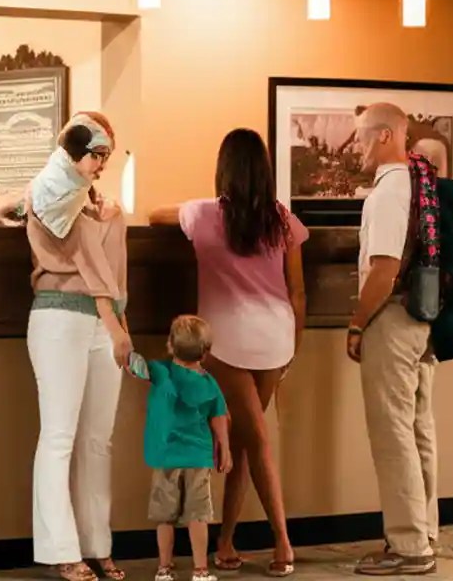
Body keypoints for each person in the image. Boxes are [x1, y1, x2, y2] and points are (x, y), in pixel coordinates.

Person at [149, 128, 306, 577]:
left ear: (223, 170)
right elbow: (297, 292)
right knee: (244, 438)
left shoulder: (201, 215)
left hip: (228, 342)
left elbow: (154, 214)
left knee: (255, 441)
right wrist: (295, 345)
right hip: (276, 338)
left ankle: (283, 543)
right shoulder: (282, 220)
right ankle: (227, 542)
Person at [23, 112, 132, 581]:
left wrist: (118, 322)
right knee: (59, 436)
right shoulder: (52, 191)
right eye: (97, 154)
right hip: (60, 317)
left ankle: (97, 544)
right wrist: (116, 325)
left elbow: (115, 273)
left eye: (107, 155)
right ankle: (60, 550)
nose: (102, 164)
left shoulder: (98, 202)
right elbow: (83, 265)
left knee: (97, 441)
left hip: (103, 325)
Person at [347, 103, 439, 576]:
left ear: (385, 136)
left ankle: (408, 547)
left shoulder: (387, 192)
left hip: (392, 318)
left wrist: (358, 322)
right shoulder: (421, 185)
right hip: (421, 322)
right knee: (418, 431)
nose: (356, 147)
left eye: (361, 137)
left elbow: (383, 270)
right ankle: (423, 534)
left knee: (393, 434)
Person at [136, 315, 232, 581]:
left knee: (164, 517)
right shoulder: (209, 383)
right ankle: (200, 570)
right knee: (198, 516)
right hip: (198, 457)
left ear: (170, 345)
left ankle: (164, 569)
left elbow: (135, 366)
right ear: (206, 351)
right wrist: (225, 448)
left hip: (165, 455)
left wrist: (121, 339)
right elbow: (219, 417)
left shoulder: (160, 371)